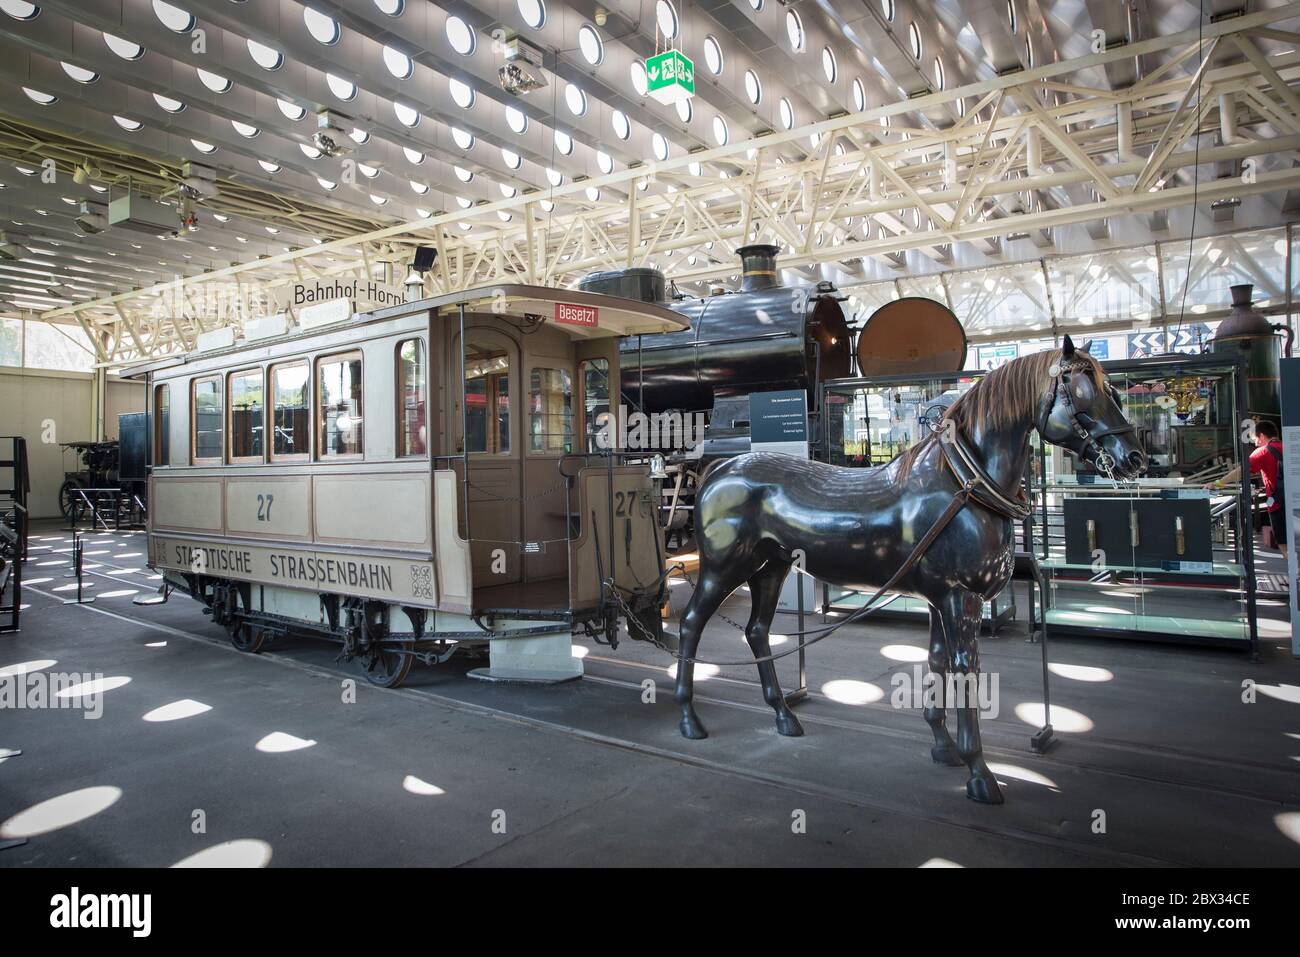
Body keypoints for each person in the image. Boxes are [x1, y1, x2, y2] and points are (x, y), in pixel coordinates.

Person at [1216, 421, 1286, 560]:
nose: (1255, 444)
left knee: (1284, 543)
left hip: (1279, 504)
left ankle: (1295, 577)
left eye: (1255, 439)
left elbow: (1242, 471)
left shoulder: (1263, 451)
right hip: (1294, 501)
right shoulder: (1289, 446)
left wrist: (1218, 483)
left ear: (1261, 436)